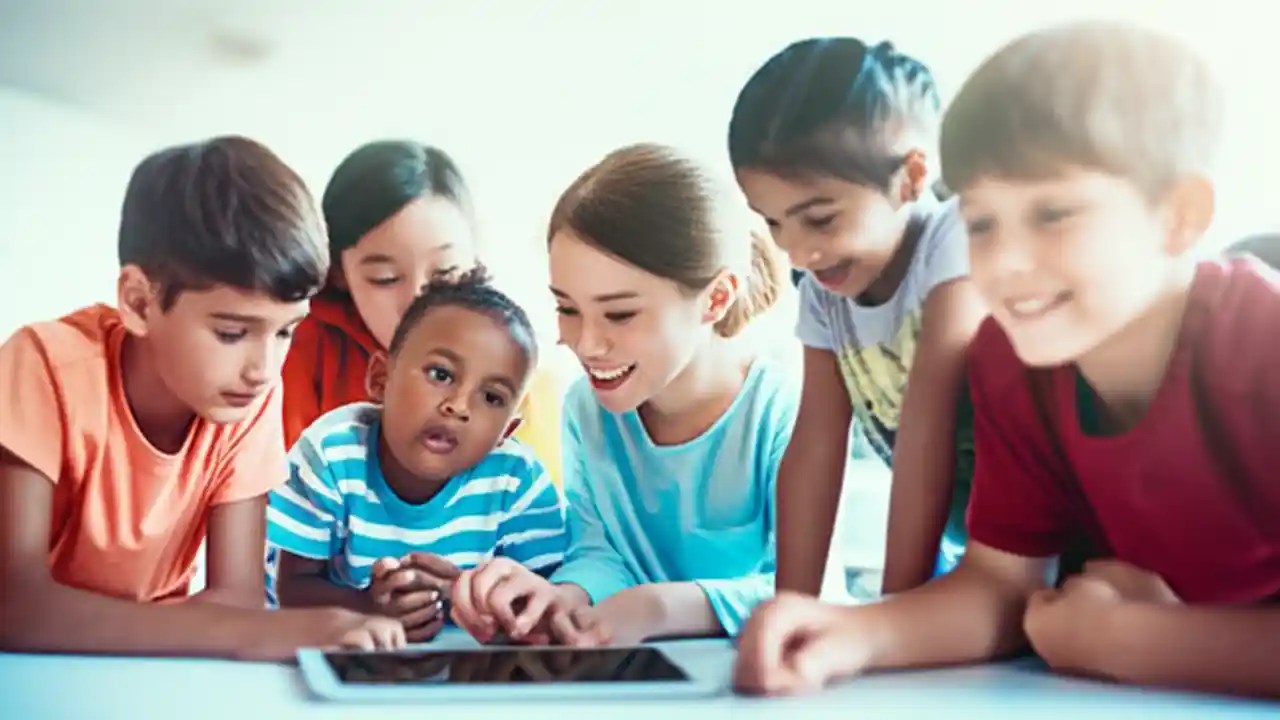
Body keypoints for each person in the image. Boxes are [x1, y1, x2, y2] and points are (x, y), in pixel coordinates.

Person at [734, 21, 1280, 700]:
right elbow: (999, 583)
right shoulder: (1011, 366)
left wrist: (1127, 642)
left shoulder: (1262, 345)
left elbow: (1096, 629)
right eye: (983, 224)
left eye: (1053, 215)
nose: (1007, 263)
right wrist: (853, 634)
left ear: (1178, 214)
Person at [0, 136, 402, 659]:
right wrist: (260, 632)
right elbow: (14, 605)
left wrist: (245, 626)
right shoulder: (44, 364)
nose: (264, 369)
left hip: (148, 665)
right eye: (233, 333)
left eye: (285, 333)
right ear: (141, 302)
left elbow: (237, 599)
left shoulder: (247, 398)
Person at [449, 143, 797, 646]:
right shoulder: (586, 408)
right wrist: (564, 596)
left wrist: (661, 607)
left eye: (620, 314)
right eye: (567, 309)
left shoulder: (783, 411)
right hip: (639, 675)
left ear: (716, 299)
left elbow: (811, 590)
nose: (586, 343)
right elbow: (600, 552)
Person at [729, 37, 987, 595]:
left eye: (819, 220)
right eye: (773, 224)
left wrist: (897, 608)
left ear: (910, 179)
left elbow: (929, 421)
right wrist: (792, 605)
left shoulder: (954, 239)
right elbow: (816, 446)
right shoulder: (826, 292)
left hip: (1056, 531)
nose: (796, 254)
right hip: (965, 540)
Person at [267, 268, 567, 642]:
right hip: (338, 646)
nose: (458, 406)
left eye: (492, 397)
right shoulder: (331, 455)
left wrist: (465, 594)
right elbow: (290, 589)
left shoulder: (516, 481)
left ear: (505, 432)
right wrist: (366, 608)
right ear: (381, 379)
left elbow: (545, 606)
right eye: (441, 375)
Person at [281, 140, 564, 485]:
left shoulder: (516, 363)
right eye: (384, 279)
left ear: (474, 260)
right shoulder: (296, 348)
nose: (418, 298)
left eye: (445, 273)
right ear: (339, 273)